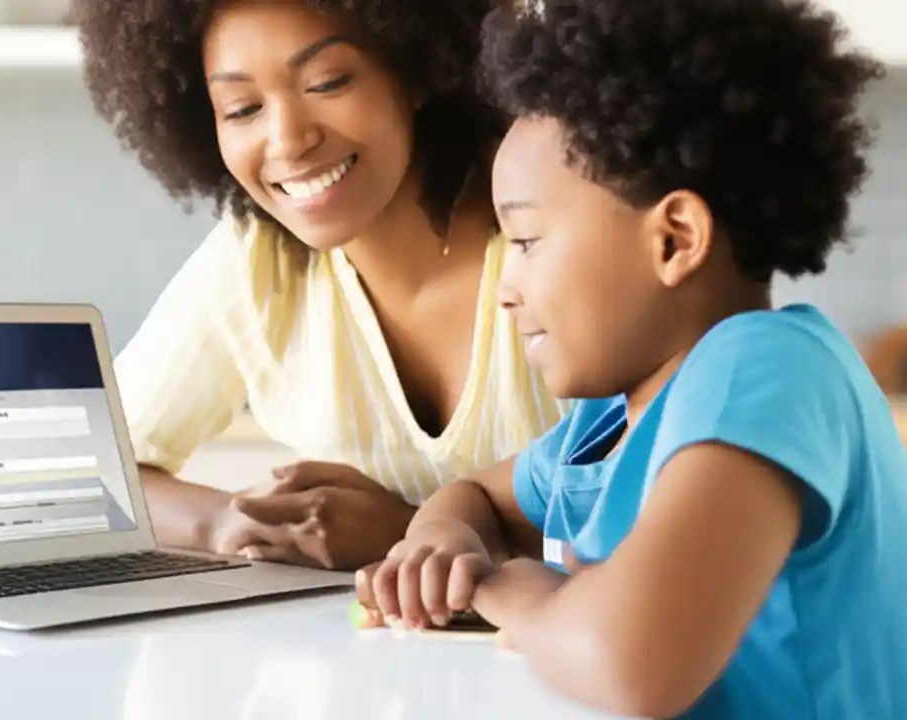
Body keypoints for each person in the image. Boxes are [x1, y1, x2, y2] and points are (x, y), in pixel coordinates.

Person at [356, 0, 906, 718]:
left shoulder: (766, 369)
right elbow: (476, 497)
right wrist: (444, 545)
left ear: (674, 239)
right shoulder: (612, 422)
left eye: (524, 242)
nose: (506, 291)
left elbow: (632, 664)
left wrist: (511, 590)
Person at [76, 0, 560, 571]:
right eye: (243, 108)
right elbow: (88, 468)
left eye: (327, 82)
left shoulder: (553, 223)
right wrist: (225, 522)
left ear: (412, 71)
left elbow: (661, 506)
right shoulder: (257, 261)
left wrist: (410, 535)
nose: (287, 140)